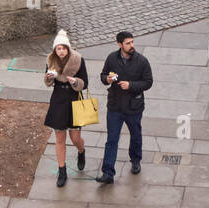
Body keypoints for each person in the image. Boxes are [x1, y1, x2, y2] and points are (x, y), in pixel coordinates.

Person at [96, 30, 153, 183]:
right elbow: (103, 75)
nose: (131, 45)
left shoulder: (142, 61)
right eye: (128, 43)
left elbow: (148, 82)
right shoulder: (111, 58)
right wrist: (107, 79)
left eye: (132, 42)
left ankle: (135, 160)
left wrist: (131, 85)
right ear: (120, 44)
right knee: (112, 139)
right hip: (115, 106)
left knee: (135, 134)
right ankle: (108, 173)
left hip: (133, 106)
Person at [42, 29, 88, 187]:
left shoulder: (78, 60)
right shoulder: (51, 61)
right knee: (59, 138)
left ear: (68, 49)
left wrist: (74, 81)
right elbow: (47, 82)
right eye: (58, 48)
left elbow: (85, 83)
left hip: (74, 100)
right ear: (55, 50)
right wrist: (48, 77)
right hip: (58, 100)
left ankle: (81, 151)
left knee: (75, 138)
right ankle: (62, 171)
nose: (61, 51)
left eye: (63, 48)